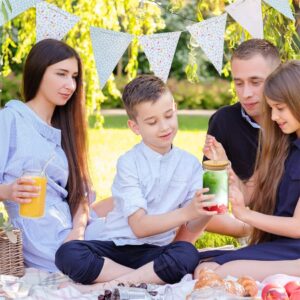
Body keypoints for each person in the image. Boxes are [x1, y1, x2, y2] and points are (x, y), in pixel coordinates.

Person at [55, 75, 217, 289]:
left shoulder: (190, 164)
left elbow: (194, 223)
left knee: (187, 253)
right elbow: (139, 227)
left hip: (154, 252)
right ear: (135, 126)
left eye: (168, 115)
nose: (164, 127)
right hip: (117, 248)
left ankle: (114, 284)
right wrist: (188, 212)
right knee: (68, 253)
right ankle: (141, 280)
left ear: (175, 109)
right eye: (152, 122)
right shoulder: (129, 163)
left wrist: (213, 186)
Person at [194, 60, 300, 281]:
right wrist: (226, 168)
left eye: (280, 109)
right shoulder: (283, 144)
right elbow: (252, 195)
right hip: (278, 245)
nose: (272, 117)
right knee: (201, 265)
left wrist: (245, 215)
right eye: (271, 109)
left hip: (294, 248)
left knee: (218, 273)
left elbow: (298, 227)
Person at [0, 39, 92, 272]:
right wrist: (8, 191)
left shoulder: (67, 132)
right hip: (41, 237)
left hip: (73, 231)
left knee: (125, 212)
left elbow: (80, 195)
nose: (70, 85)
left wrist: (77, 233)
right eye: (61, 74)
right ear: (38, 71)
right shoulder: (10, 119)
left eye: (74, 77)